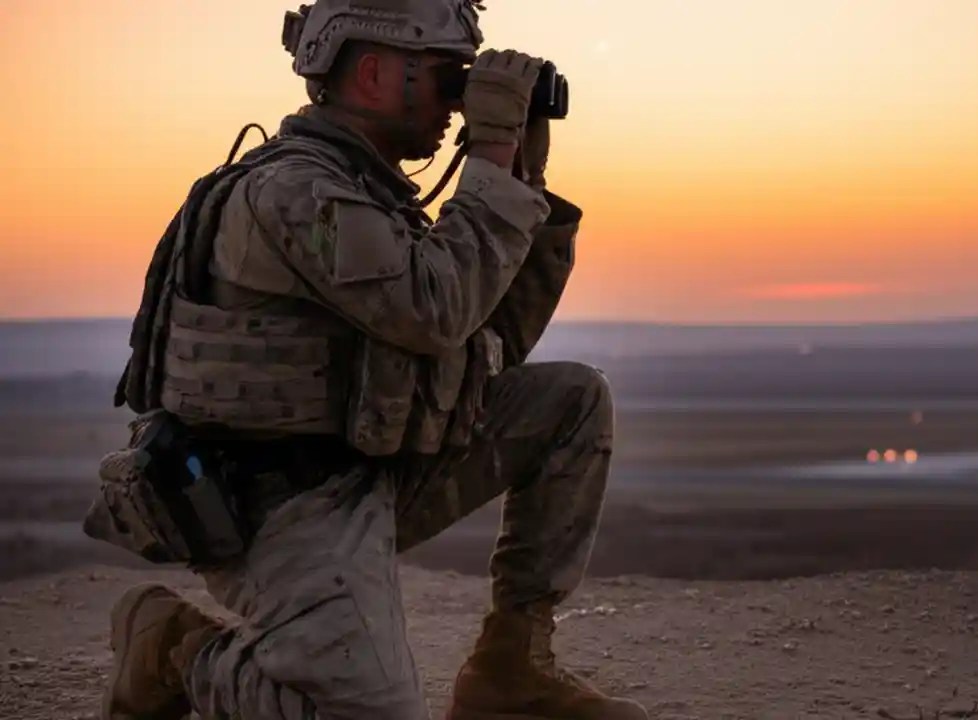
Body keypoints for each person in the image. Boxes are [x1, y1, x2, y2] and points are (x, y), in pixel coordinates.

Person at [98, 1, 647, 718]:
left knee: (572, 401)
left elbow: (486, 344)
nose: (460, 99)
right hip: (278, 505)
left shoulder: (368, 195)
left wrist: (520, 177)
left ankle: (513, 667)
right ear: (371, 71)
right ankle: (171, 646)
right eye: (446, 75)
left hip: (372, 464)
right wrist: (488, 162)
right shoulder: (294, 193)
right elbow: (433, 310)